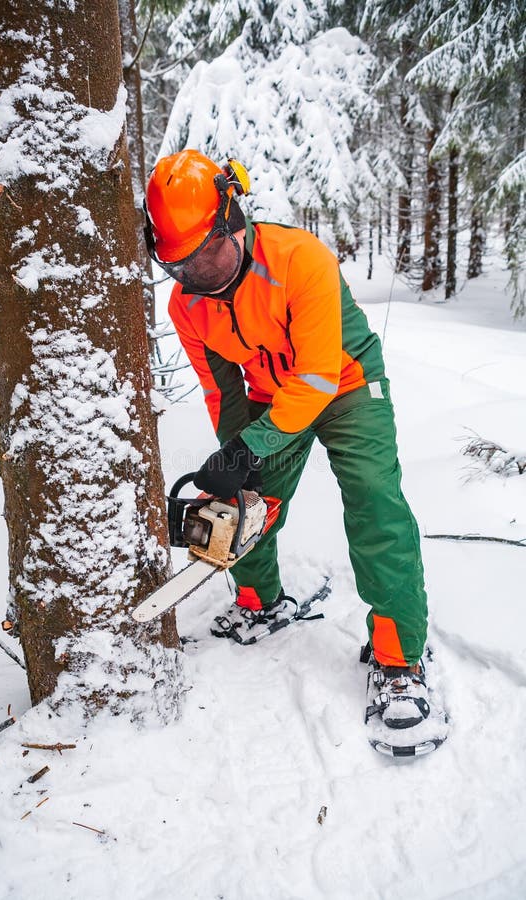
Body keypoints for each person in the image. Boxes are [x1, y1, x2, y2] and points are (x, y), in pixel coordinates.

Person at [144, 148, 431, 733]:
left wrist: (252, 444)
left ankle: (399, 657)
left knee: (374, 497)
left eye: (207, 255)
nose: (199, 274)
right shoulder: (188, 305)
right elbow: (222, 390)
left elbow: (321, 374)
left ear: (233, 219)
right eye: (183, 266)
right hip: (274, 398)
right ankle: (259, 600)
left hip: (347, 381)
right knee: (247, 504)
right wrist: (235, 460)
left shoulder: (301, 260)